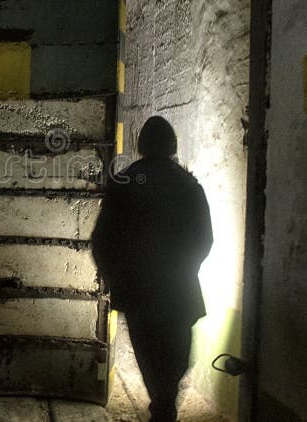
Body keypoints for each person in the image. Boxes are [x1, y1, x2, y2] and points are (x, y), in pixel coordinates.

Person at [92, 116, 213, 422]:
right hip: (178, 289)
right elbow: (204, 239)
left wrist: (115, 277)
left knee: (148, 351)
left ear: (141, 145)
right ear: (173, 146)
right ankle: (165, 403)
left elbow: (102, 240)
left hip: (137, 289)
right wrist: (185, 269)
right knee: (176, 352)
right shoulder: (189, 186)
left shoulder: (125, 184)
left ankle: (161, 403)